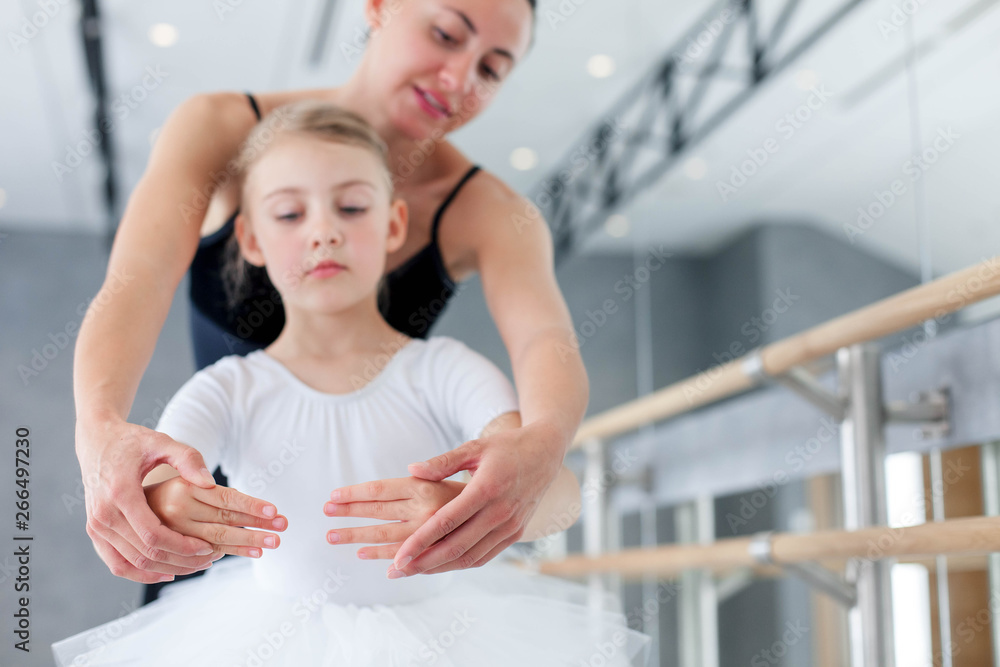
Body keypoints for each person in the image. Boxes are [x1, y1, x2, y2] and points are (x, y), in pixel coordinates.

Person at [52, 103, 652, 666]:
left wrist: (472, 506)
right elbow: (154, 487)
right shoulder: (225, 390)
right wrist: (170, 507)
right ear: (252, 239)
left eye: (353, 207)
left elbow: (558, 496)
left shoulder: (448, 372)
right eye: (290, 214)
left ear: (394, 225)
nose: (324, 232)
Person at [73, 0, 592, 606]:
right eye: (447, 34)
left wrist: (543, 444)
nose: (459, 79)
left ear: (394, 223)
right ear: (379, 7)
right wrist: (99, 427)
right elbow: (136, 282)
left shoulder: (491, 215)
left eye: (492, 68)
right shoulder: (219, 128)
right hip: (206, 519)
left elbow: (543, 339)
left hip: (390, 550)